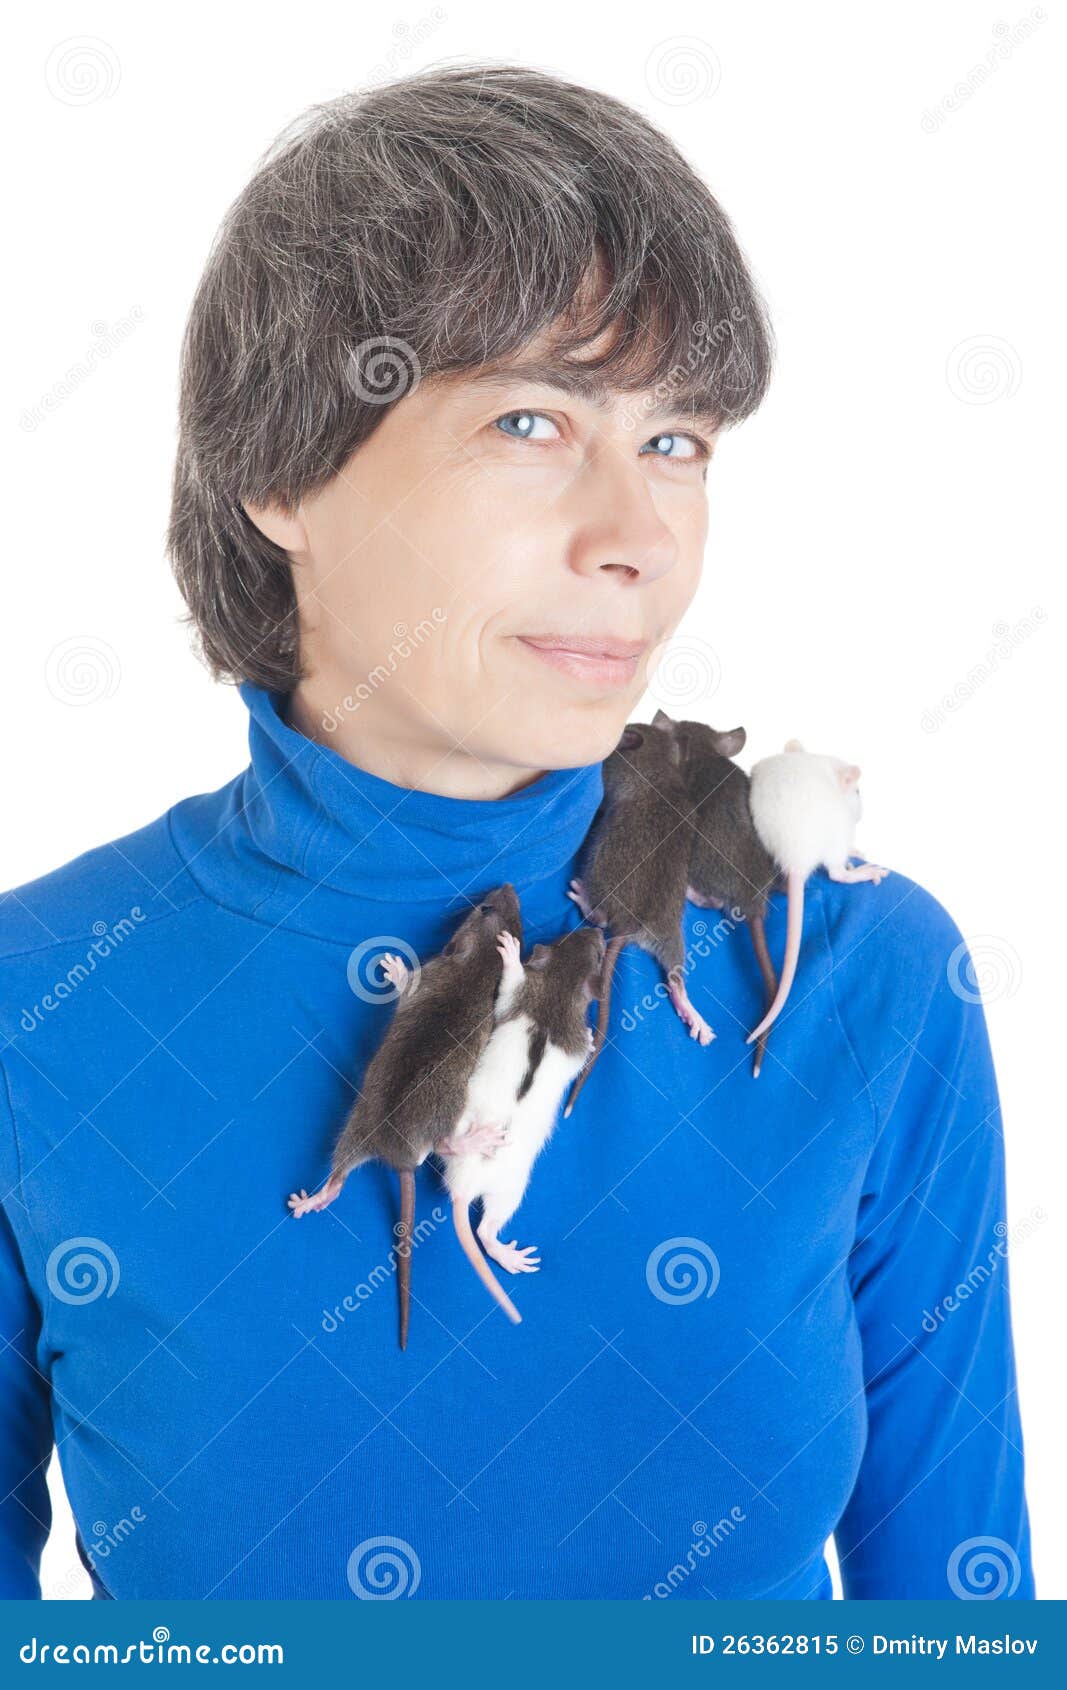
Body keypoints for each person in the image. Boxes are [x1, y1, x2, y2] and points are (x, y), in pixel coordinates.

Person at [0, 62, 1033, 1601]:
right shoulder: (43, 998)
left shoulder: (863, 970)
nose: (639, 540)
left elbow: (962, 1613)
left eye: (678, 440)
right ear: (281, 466)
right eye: (535, 419)